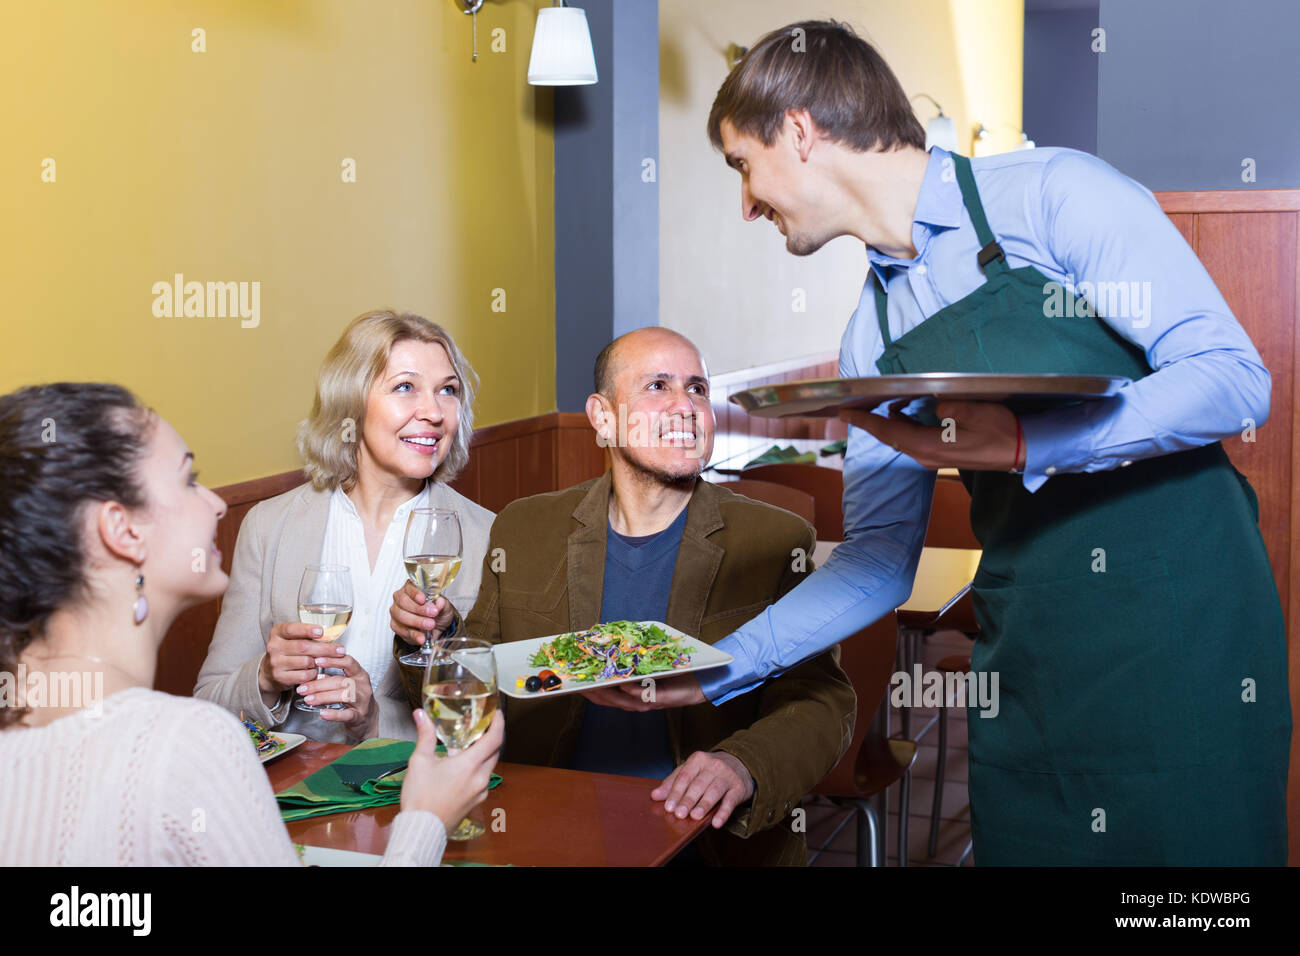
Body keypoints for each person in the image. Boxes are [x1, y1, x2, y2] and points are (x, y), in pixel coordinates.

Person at [592, 20, 1291, 866]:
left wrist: (1034, 443)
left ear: (801, 129)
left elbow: (1230, 376)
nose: (746, 203)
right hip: (1030, 660)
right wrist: (717, 667)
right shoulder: (870, 338)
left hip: (1184, 632)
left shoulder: (1054, 196)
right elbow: (882, 559)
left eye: (744, 164)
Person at [389, 327, 856, 866]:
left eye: (698, 389)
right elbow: (482, 680)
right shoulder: (525, 529)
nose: (686, 407)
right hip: (548, 827)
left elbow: (823, 700)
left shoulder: (775, 541)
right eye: (658, 386)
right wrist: (438, 636)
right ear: (603, 417)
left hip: (702, 843)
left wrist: (744, 764)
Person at [0, 382, 503, 865]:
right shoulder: (186, 744)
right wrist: (426, 818)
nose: (217, 502)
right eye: (188, 479)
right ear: (121, 530)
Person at [195, 310, 494, 744]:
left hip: (417, 793)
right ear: (350, 403)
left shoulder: (488, 537)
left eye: (447, 390)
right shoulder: (268, 527)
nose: (433, 412)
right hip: (288, 795)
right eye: (405, 387)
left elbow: (483, 728)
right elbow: (208, 704)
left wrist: (373, 718)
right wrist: (265, 677)